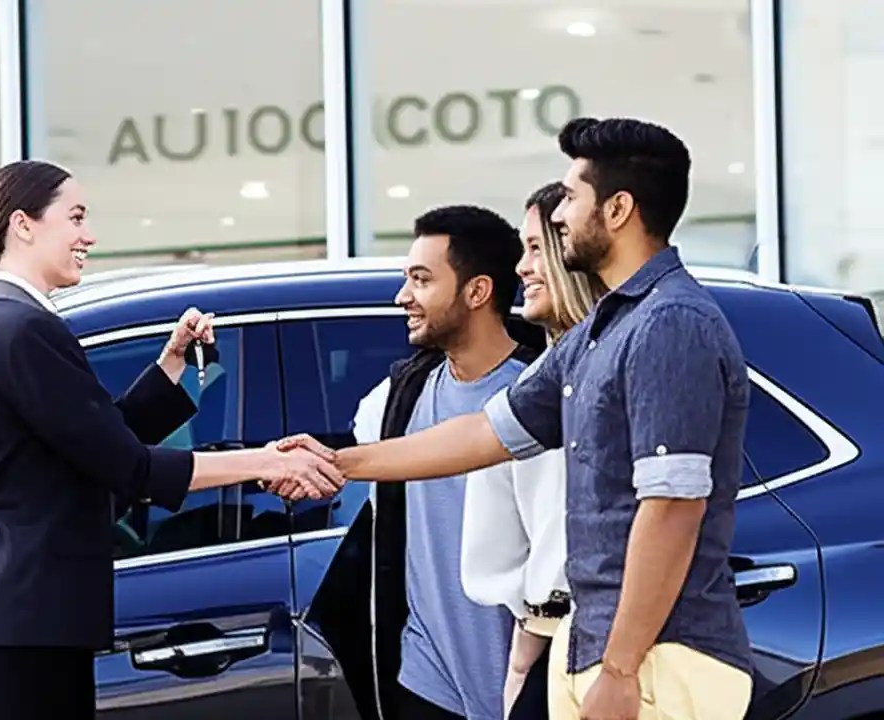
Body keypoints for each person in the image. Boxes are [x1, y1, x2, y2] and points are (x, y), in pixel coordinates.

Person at [275, 117, 755, 720]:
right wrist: (335, 463)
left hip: (660, 659)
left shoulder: (670, 324)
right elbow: (485, 432)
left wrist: (620, 667)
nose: (558, 217)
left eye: (573, 196)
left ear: (619, 209)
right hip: (599, 650)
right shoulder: (601, 334)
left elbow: (673, 509)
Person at [0, 159, 342, 719]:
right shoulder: (21, 326)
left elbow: (98, 444)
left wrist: (170, 364)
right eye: (75, 217)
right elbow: (131, 469)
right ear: (23, 225)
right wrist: (266, 460)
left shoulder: (9, 320)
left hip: (29, 622)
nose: (89, 235)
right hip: (33, 625)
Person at [343, 205, 535, 720]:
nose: (403, 297)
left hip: (525, 684)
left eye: (421, 280)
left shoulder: (537, 399)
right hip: (426, 683)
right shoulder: (400, 397)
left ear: (477, 292)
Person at [459, 181, 606, 720]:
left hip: (572, 651)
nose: (521, 267)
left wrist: (524, 661)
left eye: (538, 247)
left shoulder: (580, 381)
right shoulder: (549, 382)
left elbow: (556, 549)